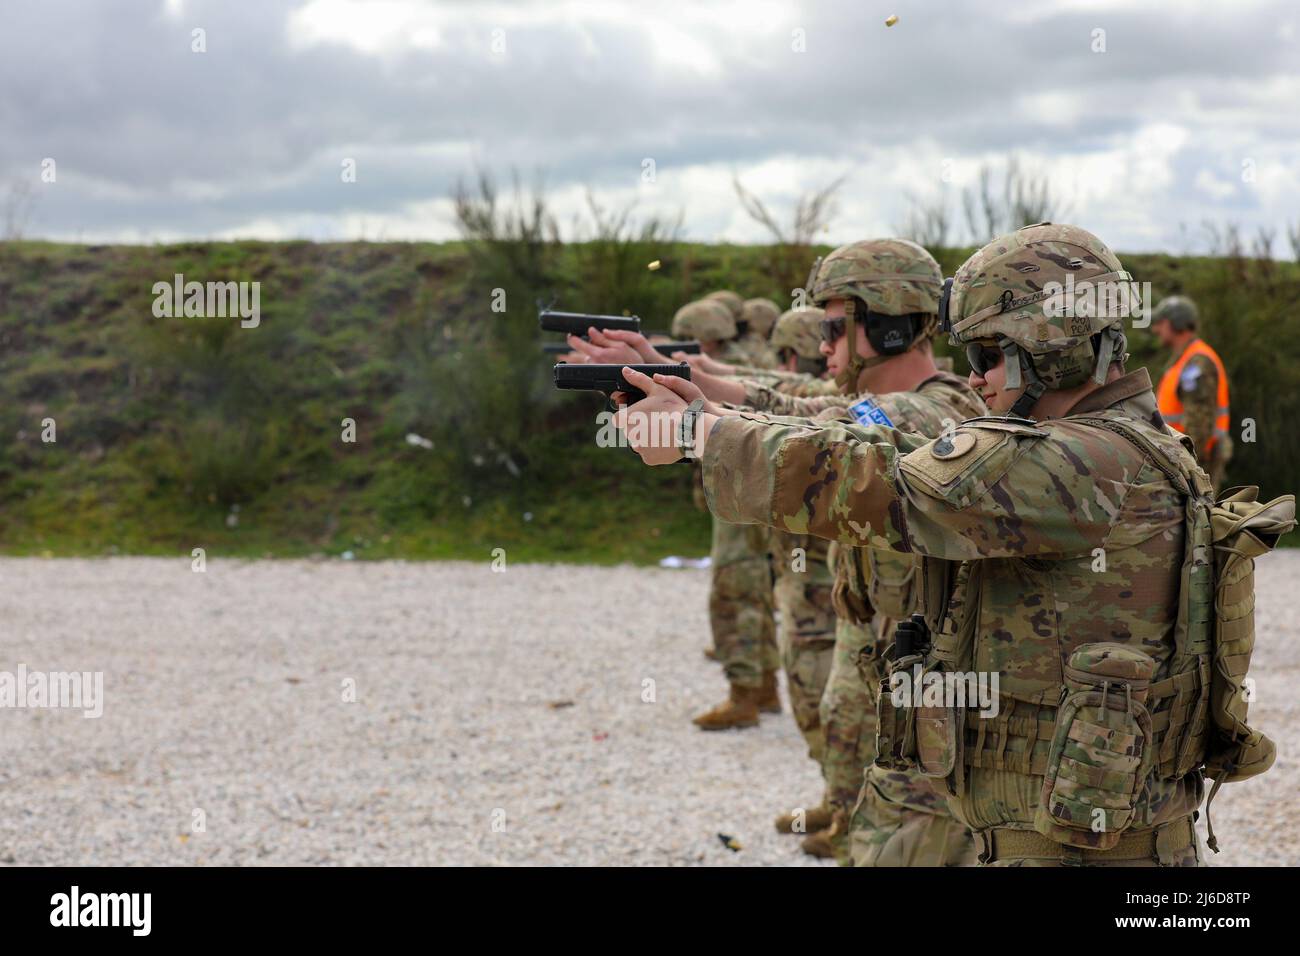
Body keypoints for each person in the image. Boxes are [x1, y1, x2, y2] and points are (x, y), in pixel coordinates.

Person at [614, 222, 1290, 866]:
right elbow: (858, 436)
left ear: (1046, 347)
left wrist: (698, 434)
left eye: (990, 355)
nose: (977, 378)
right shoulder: (1122, 445)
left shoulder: (1086, 461)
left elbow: (885, 484)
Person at [594, 239, 985, 863]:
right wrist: (682, 381)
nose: (823, 342)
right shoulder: (888, 404)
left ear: (886, 324)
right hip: (894, 643)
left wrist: (696, 426)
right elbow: (799, 410)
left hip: (930, 665)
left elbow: (818, 442)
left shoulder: (932, 409)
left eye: (834, 325)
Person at [1151, 295, 1233, 492]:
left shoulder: (1197, 363)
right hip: (1182, 464)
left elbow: (1200, 425)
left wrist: (1184, 467)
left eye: (1161, 323)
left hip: (1191, 469)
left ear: (1175, 323)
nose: (1156, 330)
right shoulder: (1185, 359)